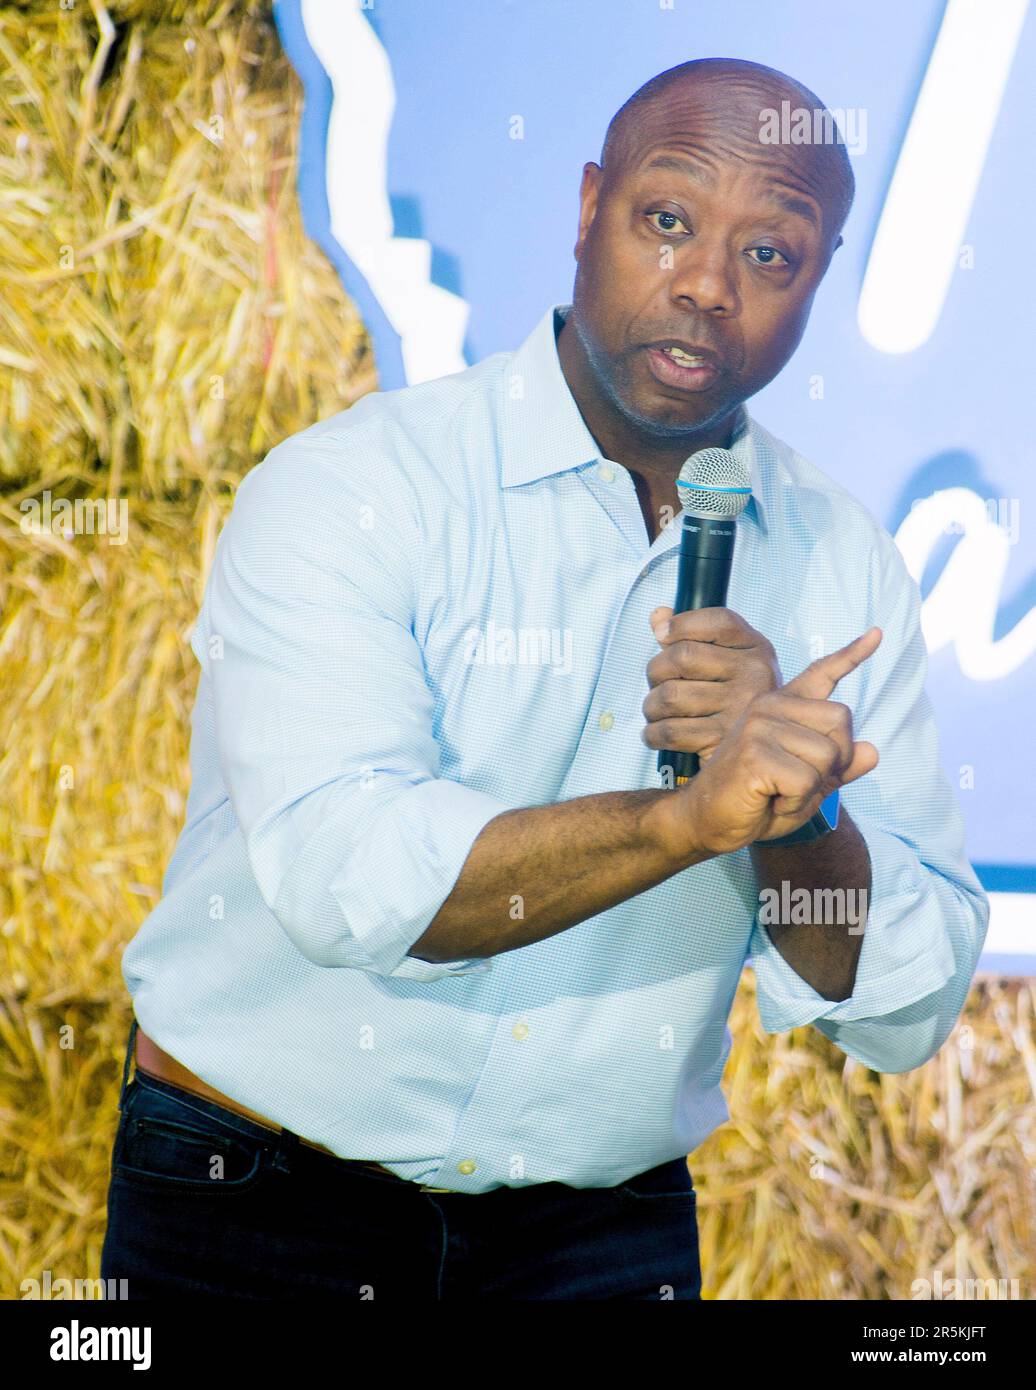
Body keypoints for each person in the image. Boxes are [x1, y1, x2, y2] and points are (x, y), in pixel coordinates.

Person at [100, 57, 988, 1300]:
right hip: (253, 1202)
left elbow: (901, 1005)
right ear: (585, 209)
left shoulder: (845, 566)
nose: (706, 286)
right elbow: (351, 880)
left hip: (595, 1244)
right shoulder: (355, 488)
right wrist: (687, 820)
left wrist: (802, 819)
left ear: (818, 280)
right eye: (666, 221)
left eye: (771, 255)